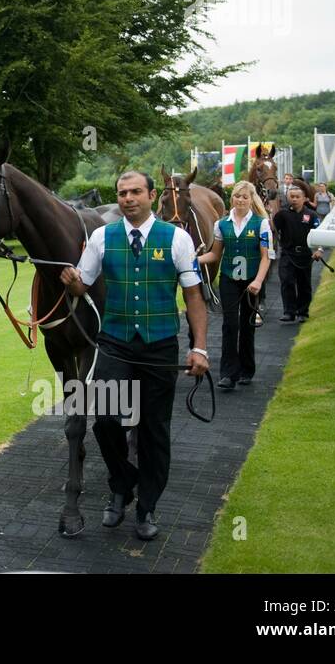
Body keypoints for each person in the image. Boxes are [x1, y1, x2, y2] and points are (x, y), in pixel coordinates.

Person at [59, 171, 209, 542]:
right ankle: (122, 482)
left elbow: (193, 297)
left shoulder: (177, 238)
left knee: (153, 430)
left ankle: (146, 507)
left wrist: (200, 347)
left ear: (151, 195)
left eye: (136, 192)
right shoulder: (101, 237)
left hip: (160, 345)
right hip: (115, 342)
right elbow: (85, 283)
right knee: (106, 419)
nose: (128, 198)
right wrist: (71, 280)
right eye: (122, 193)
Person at [196, 181, 274, 390]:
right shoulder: (221, 224)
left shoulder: (261, 224)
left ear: (251, 200)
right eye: (237, 197)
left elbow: (266, 257)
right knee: (230, 324)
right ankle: (228, 373)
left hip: (251, 280)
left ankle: (247, 369)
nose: (240, 200)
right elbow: (215, 254)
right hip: (229, 278)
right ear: (232, 199)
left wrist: (258, 281)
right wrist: (194, 260)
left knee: (247, 324)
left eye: (244, 197)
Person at [272, 185, 324, 322]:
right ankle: (289, 311)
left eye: (297, 197)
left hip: (305, 255)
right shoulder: (282, 214)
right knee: (286, 280)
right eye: (291, 197)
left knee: (304, 284)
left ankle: (303, 312)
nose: (294, 199)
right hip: (287, 254)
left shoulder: (311, 215)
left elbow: (319, 233)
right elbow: (272, 229)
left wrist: (319, 250)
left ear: (305, 198)